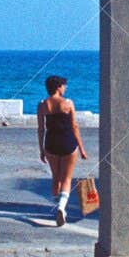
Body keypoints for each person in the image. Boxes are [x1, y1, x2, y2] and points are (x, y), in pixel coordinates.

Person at [37, 75, 88, 226]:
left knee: (56, 177)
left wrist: (42, 149)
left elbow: (41, 129)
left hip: (51, 143)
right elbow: (74, 127)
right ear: (58, 87)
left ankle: (57, 208)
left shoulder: (42, 105)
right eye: (64, 85)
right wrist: (82, 149)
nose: (65, 88)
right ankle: (61, 207)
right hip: (68, 142)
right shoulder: (68, 103)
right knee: (66, 178)